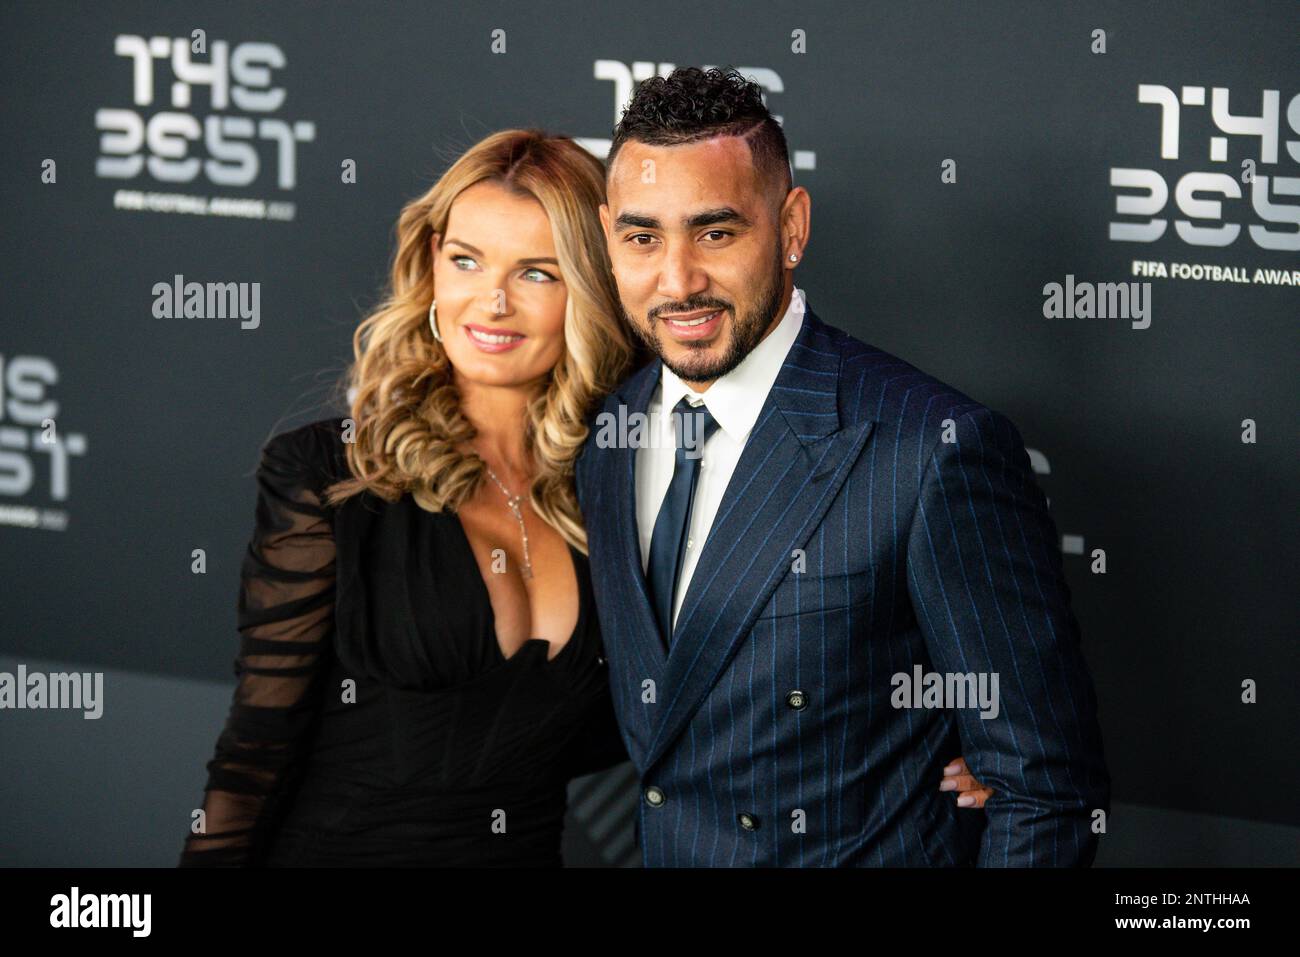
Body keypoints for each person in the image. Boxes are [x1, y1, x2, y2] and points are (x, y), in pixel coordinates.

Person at [180, 127, 991, 867]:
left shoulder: (629, 472)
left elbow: (724, 692)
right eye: (466, 260)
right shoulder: (330, 473)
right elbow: (256, 744)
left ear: (593, 287)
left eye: (536, 272)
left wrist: (939, 737)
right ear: (431, 264)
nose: (491, 302)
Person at [577, 67, 1110, 866]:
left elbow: (1044, 790)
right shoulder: (610, 433)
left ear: (791, 226)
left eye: (717, 232)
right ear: (608, 234)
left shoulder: (931, 449)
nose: (678, 279)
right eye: (643, 236)